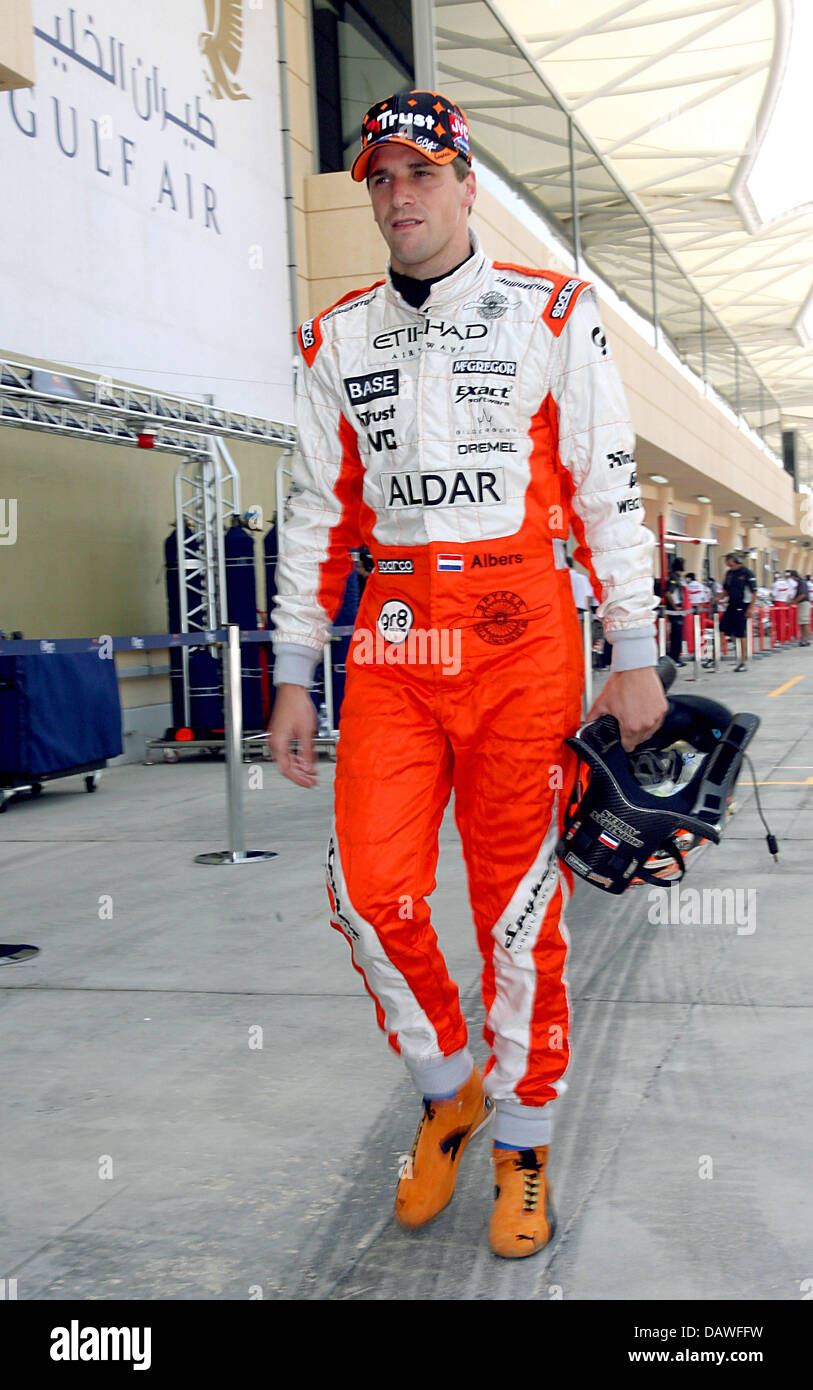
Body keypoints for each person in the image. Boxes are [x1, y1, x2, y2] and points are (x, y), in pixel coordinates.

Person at [268, 89, 666, 1260]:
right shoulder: (334, 336)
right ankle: (453, 1086)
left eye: (421, 174)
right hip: (393, 634)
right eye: (381, 178)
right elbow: (311, 515)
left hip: (524, 629)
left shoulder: (554, 311)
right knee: (368, 893)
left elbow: (610, 488)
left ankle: (525, 1144)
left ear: (465, 183)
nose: (399, 196)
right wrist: (296, 666)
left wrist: (633, 654)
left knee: (519, 910)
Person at [720, 552, 756, 670]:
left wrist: (751, 607)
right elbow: (726, 590)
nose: (728, 565)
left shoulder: (746, 573)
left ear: (735, 560)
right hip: (731, 605)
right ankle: (716, 655)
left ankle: (743, 661)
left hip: (743, 605)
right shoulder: (729, 573)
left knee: (741, 633)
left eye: (729, 562)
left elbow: (754, 591)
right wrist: (717, 598)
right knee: (721, 629)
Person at [663, 557, 688, 665]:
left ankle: (676, 657)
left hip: (677, 608)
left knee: (678, 633)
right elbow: (668, 593)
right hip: (675, 608)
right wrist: (674, 607)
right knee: (676, 634)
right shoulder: (673, 577)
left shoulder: (676, 577)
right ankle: (674, 658)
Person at [789, 570, 810, 646]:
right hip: (803, 604)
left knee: (804, 623)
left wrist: (793, 601)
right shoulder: (801, 583)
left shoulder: (801, 583)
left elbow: (802, 594)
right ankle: (803, 639)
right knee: (802, 623)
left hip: (803, 603)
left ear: (794, 576)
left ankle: (805, 639)